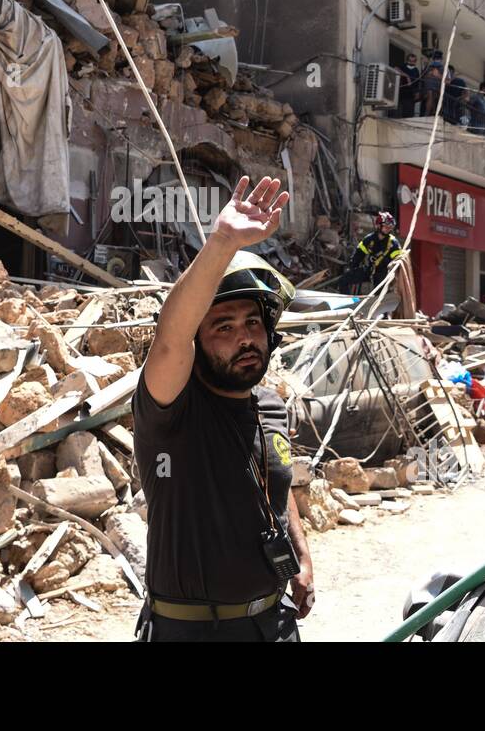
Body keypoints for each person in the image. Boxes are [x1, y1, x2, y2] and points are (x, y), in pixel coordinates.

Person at [132, 175, 313, 642]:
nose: (245, 337)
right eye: (224, 327)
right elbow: (171, 338)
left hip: (273, 623)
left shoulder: (269, 407)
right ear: (197, 341)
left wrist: (301, 552)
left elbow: (277, 478)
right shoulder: (172, 411)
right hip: (191, 631)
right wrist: (224, 242)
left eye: (253, 322)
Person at [338, 211, 403, 293]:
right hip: (370, 270)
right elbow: (359, 254)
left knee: (379, 292)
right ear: (379, 226)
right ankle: (346, 302)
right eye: (386, 227)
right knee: (343, 280)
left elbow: (398, 260)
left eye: (390, 227)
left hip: (383, 273)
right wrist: (352, 267)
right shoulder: (369, 239)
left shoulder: (393, 243)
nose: (388, 229)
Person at [399, 53, 420, 118]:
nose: (411, 63)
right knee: (403, 111)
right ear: (407, 60)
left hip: (411, 94)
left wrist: (417, 93)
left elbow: (417, 82)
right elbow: (395, 69)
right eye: (410, 61)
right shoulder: (403, 66)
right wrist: (407, 76)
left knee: (410, 113)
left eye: (413, 61)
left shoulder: (416, 70)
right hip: (403, 92)